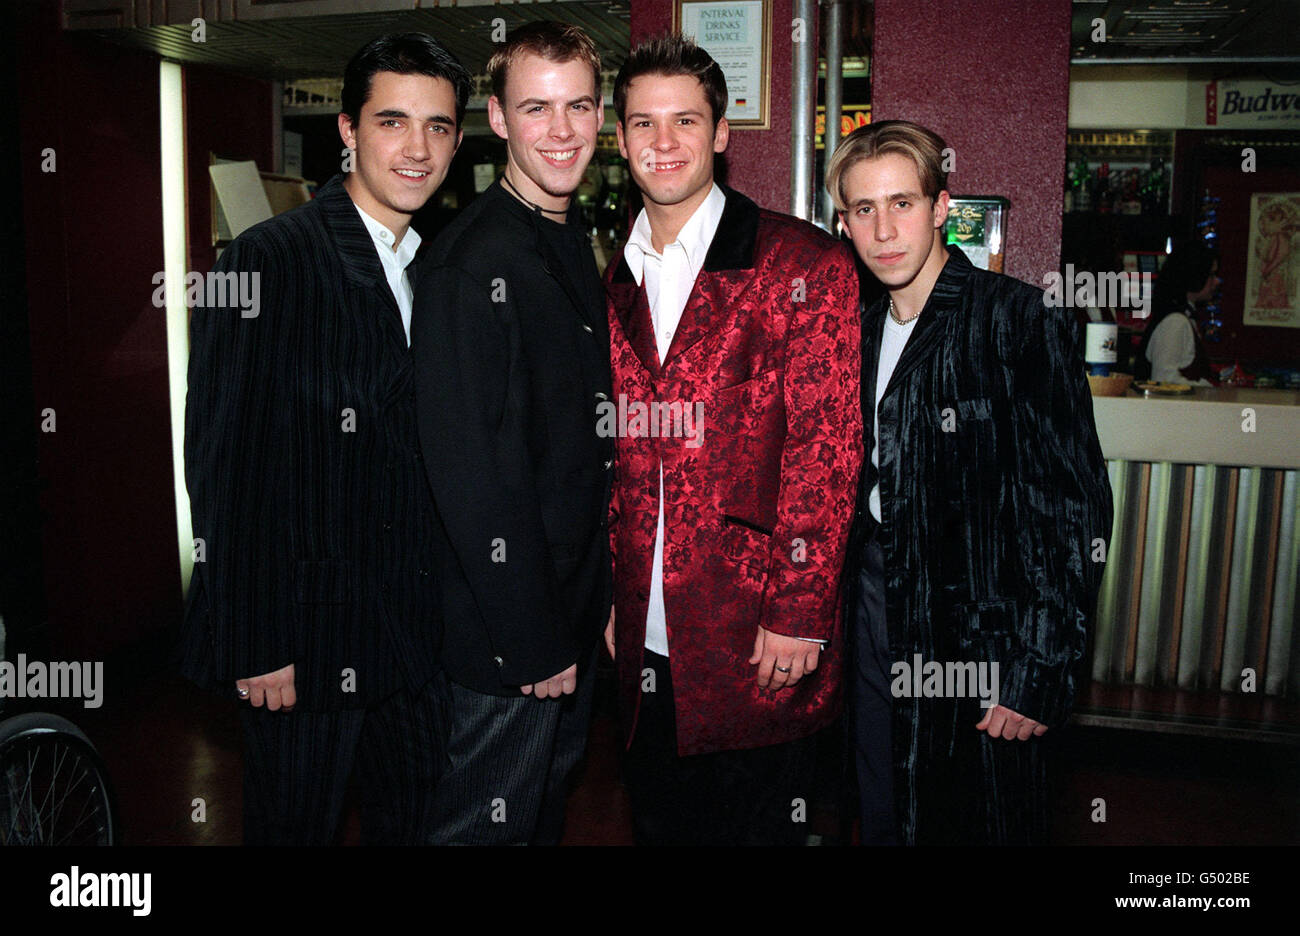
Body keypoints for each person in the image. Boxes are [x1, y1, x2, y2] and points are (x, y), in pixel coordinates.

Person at [179, 33, 471, 844]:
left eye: (440, 127)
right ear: (346, 130)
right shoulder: (272, 260)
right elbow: (222, 460)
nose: (417, 149)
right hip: (302, 639)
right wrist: (256, 639)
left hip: (409, 640)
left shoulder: (431, 262)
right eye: (392, 122)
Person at [603, 35, 862, 846]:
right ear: (619, 141)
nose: (664, 142)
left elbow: (828, 451)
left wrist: (799, 609)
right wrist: (613, 592)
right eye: (643, 123)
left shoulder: (803, 262)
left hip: (754, 632)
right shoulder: (613, 273)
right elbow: (613, 457)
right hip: (642, 640)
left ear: (721, 133)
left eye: (686, 120)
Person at [826, 120, 1113, 845]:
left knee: (979, 823)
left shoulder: (1018, 319)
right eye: (864, 209)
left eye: (902, 203)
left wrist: (1040, 666)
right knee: (880, 807)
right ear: (843, 222)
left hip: (981, 641)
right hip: (870, 611)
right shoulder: (851, 328)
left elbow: (1071, 508)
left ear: (941, 208)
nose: (884, 228)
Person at [410, 21, 612, 845]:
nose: (560, 131)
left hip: (565, 615)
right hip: (510, 640)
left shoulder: (569, 239)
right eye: (536, 108)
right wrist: (533, 643)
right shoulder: (473, 260)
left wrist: (597, 600)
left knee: (536, 818)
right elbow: (471, 472)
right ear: (497, 119)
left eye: (578, 107)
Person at [1136, 243, 1219, 384]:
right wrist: (1209, 387)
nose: (1216, 282)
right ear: (1195, 275)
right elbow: (1163, 380)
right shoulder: (1175, 322)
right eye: (1211, 275)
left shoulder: (1180, 317)